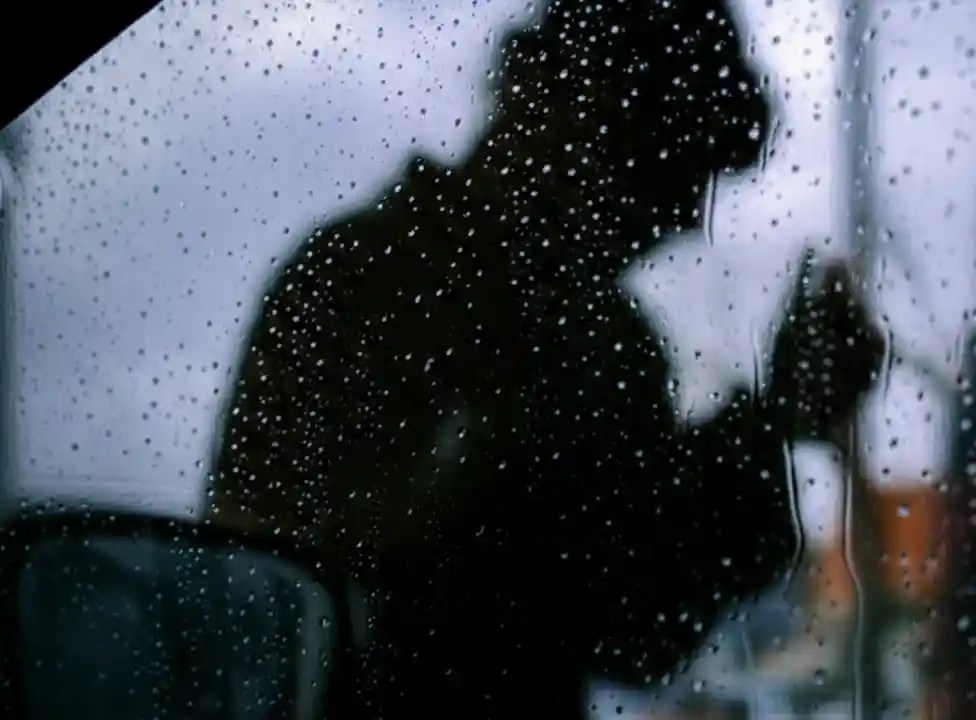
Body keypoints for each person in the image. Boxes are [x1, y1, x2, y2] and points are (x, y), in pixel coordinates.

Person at [205, 0, 885, 716]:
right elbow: (260, 588)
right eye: (667, 161)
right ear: (553, 103)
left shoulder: (610, 340)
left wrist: (776, 419)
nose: (685, 216)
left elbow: (638, 624)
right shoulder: (359, 280)